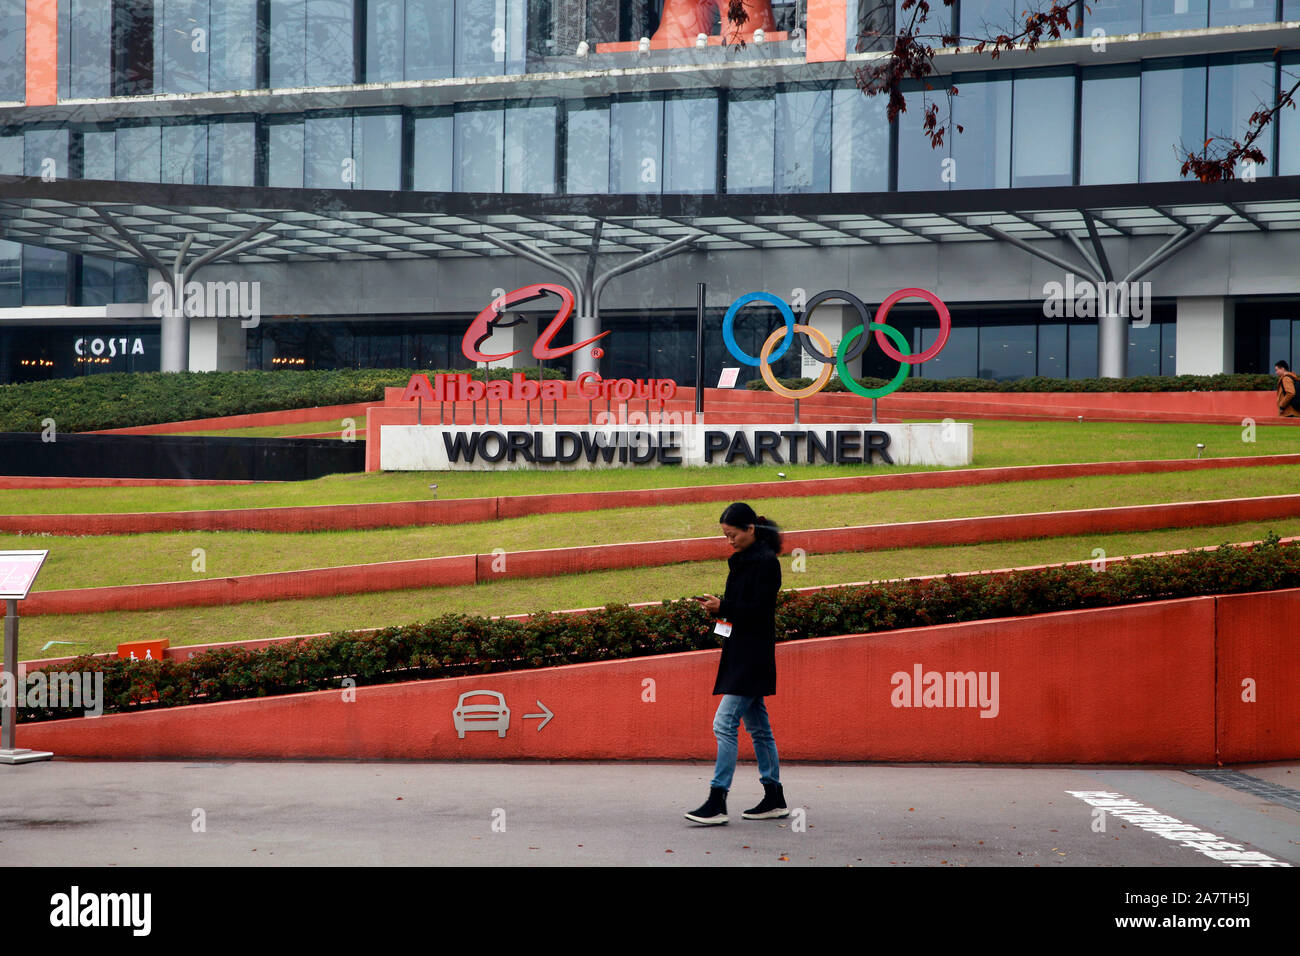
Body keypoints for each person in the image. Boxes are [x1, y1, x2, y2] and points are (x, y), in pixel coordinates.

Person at [684, 501, 788, 825]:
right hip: (740, 653)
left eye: (733, 535)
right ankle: (774, 796)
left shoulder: (767, 563)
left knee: (723, 724)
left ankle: (718, 800)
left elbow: (759, 611)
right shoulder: (741, 561)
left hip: (752, 657)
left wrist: (724, 607)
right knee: (759, 728)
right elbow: (735, 609)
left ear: (751, 530)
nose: (730, 541)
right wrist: (717, 617)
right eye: (726, 536)